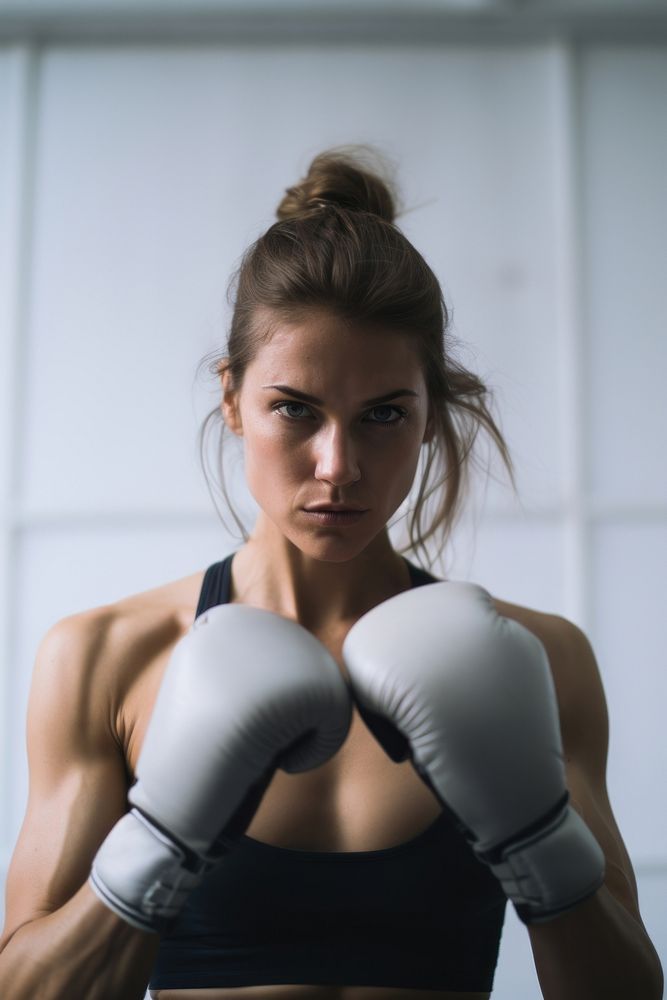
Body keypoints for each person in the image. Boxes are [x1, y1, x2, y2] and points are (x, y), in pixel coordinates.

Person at [0, 146, 662, 1000]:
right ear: (232, 397)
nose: (338, 465)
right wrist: (155, 848)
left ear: (431, 415)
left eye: (384, 413)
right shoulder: (105, 657)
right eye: (294, 410)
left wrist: (538, 848)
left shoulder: (544, 658)